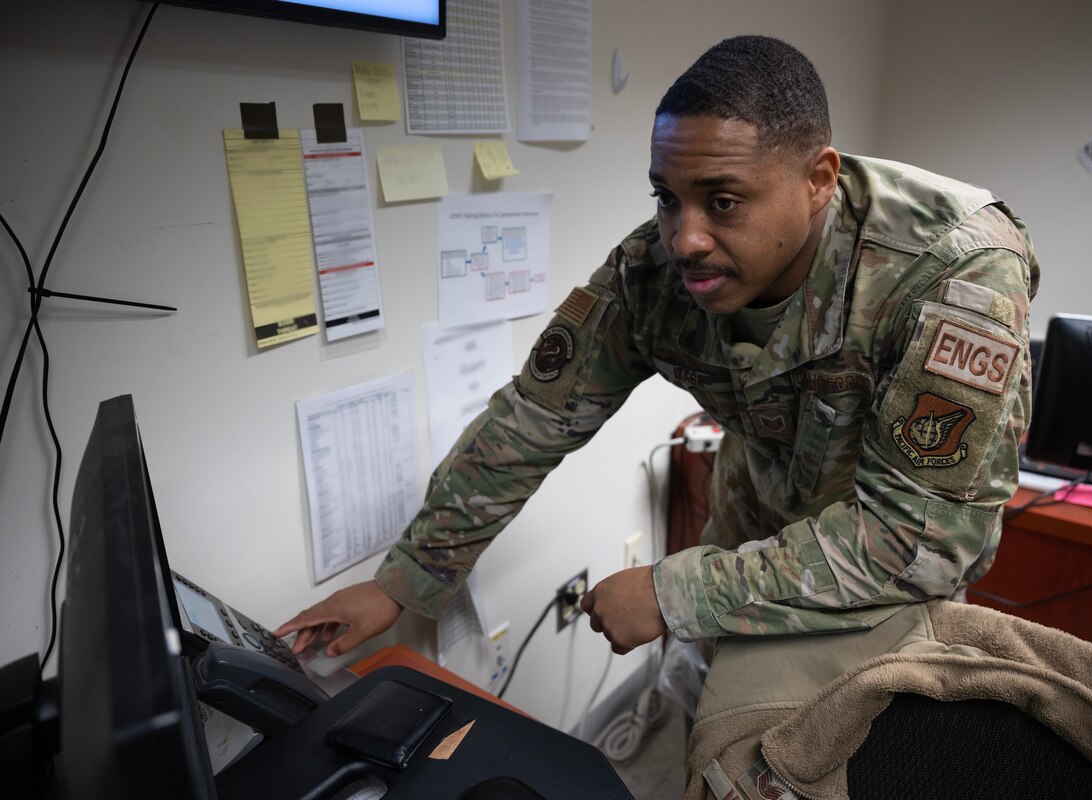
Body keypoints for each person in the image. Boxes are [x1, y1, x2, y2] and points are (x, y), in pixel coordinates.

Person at [277, 35, 1038, 681]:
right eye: (667, 198)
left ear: (818, 181)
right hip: (753, 528)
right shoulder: (654, 271)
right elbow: (530, 422)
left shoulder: (954, 274)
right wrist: (404, 581)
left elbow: (918, 542)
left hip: (883, 584)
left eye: (722, 201)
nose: (686, 239)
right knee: (707, 727)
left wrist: (675, 594)